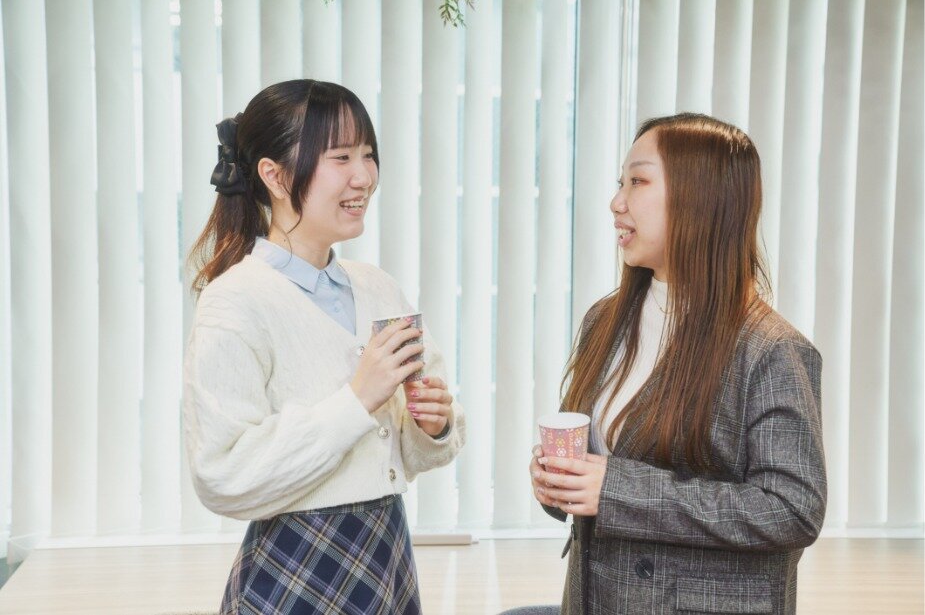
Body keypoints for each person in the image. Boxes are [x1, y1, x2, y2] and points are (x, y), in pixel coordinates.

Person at [524, 113, 826, 615]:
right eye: (620, 182)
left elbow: (792, 510)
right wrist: (559, 482)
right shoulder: (605, 320)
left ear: (700, 199)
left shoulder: (771, 350)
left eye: (638, 182)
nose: (616, 202)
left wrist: (616, 489)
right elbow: (597, 468)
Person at [183, 79, 465, 615]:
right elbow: (221, 475)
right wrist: (356, 401)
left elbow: (410, 451)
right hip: (295, 570)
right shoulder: (234, 301)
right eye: (341, 157)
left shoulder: (378, 288)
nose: (364, 176)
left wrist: (433, 425)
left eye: (368, 153)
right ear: (274, 175)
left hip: (385, 553)